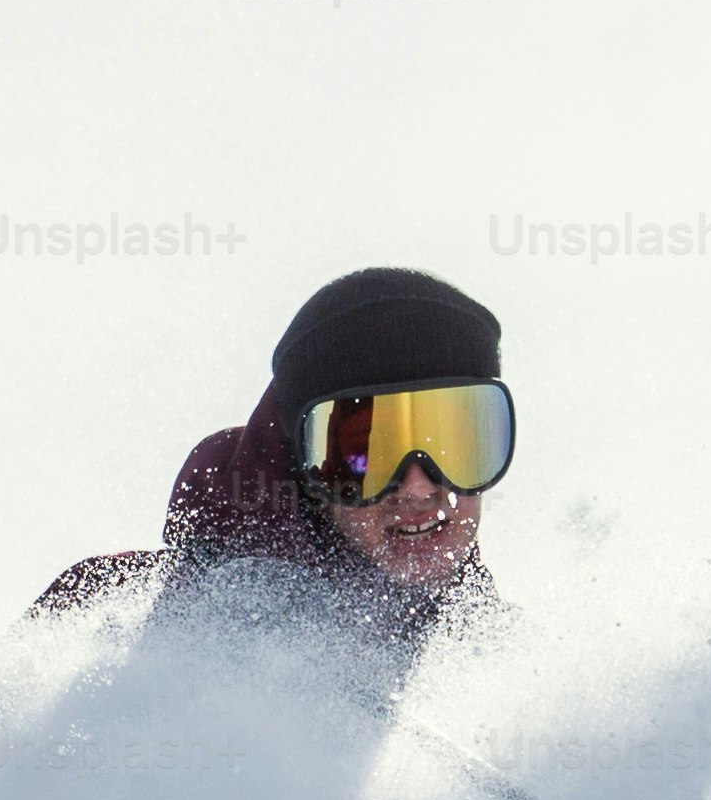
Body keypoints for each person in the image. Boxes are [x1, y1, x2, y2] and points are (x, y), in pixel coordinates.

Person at [35, 267, 513, 649]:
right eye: (363, 455)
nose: (418, 487)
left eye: (453, 443)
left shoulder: (498, 661)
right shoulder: (119, 623)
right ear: (299, 467)